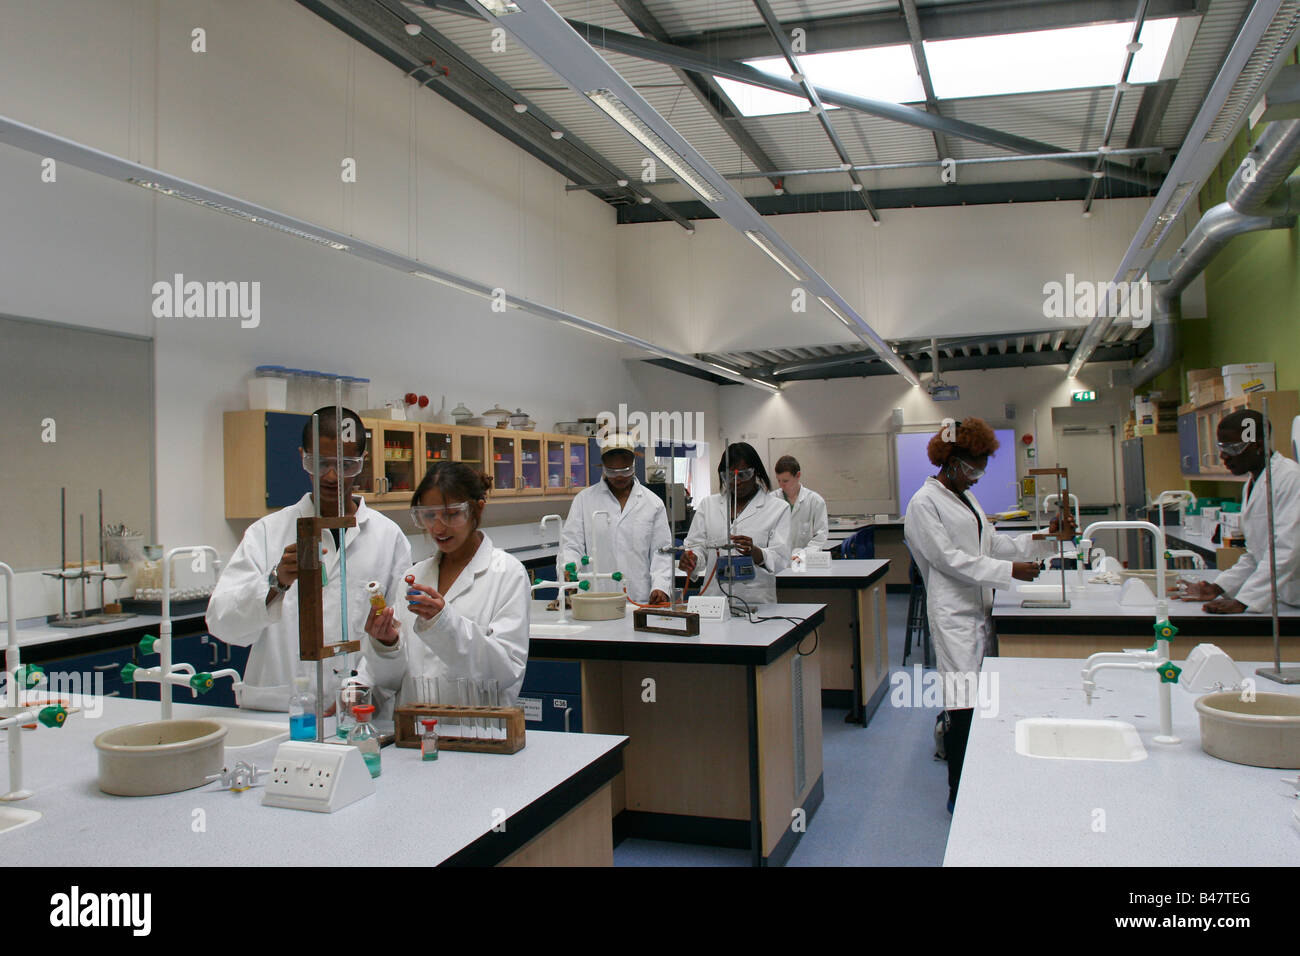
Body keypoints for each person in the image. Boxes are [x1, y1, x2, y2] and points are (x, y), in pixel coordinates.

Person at [903, 418, 1072, 812]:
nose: (979, 473)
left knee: (978, 702)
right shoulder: (923, 503)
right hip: (953, 615)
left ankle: (976, 782)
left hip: (978, 609)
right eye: (974, 464)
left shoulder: (965, 497)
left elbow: (990, 542)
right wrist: (1008, 572)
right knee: (962, 706)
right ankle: (957, 796)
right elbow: (948, 560)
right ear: (952, 460)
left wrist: (1043, 540)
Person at [207, 407, 412, 711]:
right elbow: (222, 624)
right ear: (303, 456)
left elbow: (401, 634)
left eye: (346, 464)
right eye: (320, 463)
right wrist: (276, 583)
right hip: (279, 710)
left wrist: (361, 685)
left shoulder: (389, 538)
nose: (332, 475)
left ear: (363, 462)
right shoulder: (266, 533)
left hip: (358, 710)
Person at [359, 462, 530, 714]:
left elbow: (505, 673)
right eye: (429, 515)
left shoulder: (506, 573)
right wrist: (387, 644)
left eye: (451, 514)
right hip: (415, 732)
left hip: (479, 734)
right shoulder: (414, 576)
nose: (438, 528)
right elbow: (391, 681)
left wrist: (445, 624)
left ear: (477, 510)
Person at [1177, 410, 1300, 613]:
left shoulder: (1291, 479)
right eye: (1222, 447)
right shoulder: (1254, 483)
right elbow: (1255, 555)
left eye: (1233, 448)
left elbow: (1286, 550)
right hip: (1288, 598)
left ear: (1258, 445)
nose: (1224, 456)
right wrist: (1217, 588)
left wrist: (1243, 601)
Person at [561, 434, 673, 605]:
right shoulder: (584, 500)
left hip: (639, 597)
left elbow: (662, 553)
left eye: (625, 470)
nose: (619, 477)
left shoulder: (653, 503)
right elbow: (571, 545)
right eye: (612, 471)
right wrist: (569, 567)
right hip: (595, 597)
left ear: (634, 464)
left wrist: (661, 586)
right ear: (603, 467)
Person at [679, 442, 791, 609]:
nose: (737, 482)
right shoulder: (708, 505)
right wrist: (692, 559)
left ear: (756, 473)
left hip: (756, 601)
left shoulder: (778, 508)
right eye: (729, 476)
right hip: (714, 601)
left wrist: (756, 552)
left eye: (743, 475)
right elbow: (697, 547)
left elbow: (781, 558)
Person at [771, 455, 829, 552]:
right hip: (778, 562)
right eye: (778, 480)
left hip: (806, 561)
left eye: (785, 481)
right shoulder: (772, 500)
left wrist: (803, 554)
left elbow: (820, 537)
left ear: (798, 475)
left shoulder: (815, 501)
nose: (781, 485)